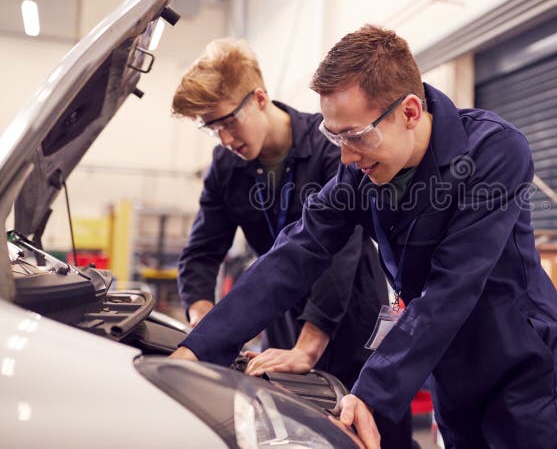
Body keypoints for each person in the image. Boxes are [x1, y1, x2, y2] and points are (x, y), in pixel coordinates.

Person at [172, 27, 557, 449]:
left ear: (411, 113)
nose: (345, 156)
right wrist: (200, 346)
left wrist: (371, 392)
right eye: (335, 136)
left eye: (356, 136)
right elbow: (298, 249)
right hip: (445, 360)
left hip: (517, 364)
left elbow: (452, 287)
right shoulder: (360, 169)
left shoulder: (495, 152)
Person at [171, 38, 413, 447]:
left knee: (374, 432)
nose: (224, 137)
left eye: (228, 121)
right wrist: (204, 324)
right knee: (290, 435)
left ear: (259, 98)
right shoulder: (226, 166)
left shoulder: (330, 145)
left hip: (351, 313)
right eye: (211, 127)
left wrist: (308, 348)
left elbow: (339, 252)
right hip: (281, 313)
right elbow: (202, 250)